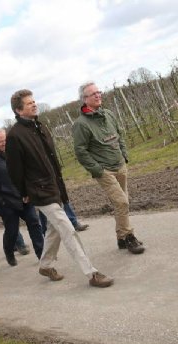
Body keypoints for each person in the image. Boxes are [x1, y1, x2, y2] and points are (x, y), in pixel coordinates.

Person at [6, 89, 113, 288]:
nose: (34, 104)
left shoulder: (41, 127)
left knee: (54, 229)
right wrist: (24, 193)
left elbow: (52, 160)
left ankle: (45, 265)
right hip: (39, 191)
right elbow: (14, 171)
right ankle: (91, 273)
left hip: (54, 186)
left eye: (34, 101)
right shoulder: (14, 136)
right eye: (29, 103)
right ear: (19, 110)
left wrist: (61, 188)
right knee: (67, 229)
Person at [72, 81, 145, 253]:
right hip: (105, 170)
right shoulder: (81, 124)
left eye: (99, 92)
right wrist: (97, 170)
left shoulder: (109, 114)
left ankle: (121, 239)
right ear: (84, 99)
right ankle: (129, 237)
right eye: (93, 94)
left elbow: (119, 136)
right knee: (122, 202)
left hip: (120, 165)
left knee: (122, 204)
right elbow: (80, 151)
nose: (98, 95)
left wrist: (124, 155)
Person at [0, 127, 45, 266]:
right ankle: (9, 252)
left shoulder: (12, 152)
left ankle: (42, 255)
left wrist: (27, 191)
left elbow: (23, 171)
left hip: (23, 197)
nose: (4, 143)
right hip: (6, 203)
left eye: (5, 140)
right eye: (0, 141)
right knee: (12, 231)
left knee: (34, 223)